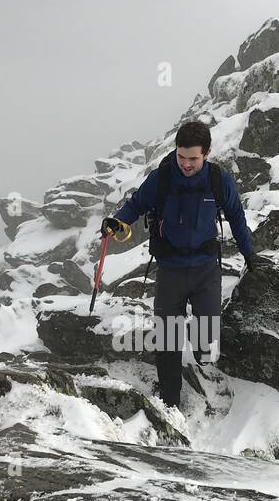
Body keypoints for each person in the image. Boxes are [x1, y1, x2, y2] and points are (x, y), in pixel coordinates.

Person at [100, 121, 259, 410]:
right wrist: (117, 222)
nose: (185, 164)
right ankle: (169, 404)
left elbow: (236, 216)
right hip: (170, 270)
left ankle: (200, 360)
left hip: (205, 269)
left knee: (206, 337)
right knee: (167, 340)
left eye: (193, 158)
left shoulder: (218, 180)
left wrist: (249, 253)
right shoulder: (161, 178)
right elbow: (136, 205)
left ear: (206, 154)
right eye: (181, 156)